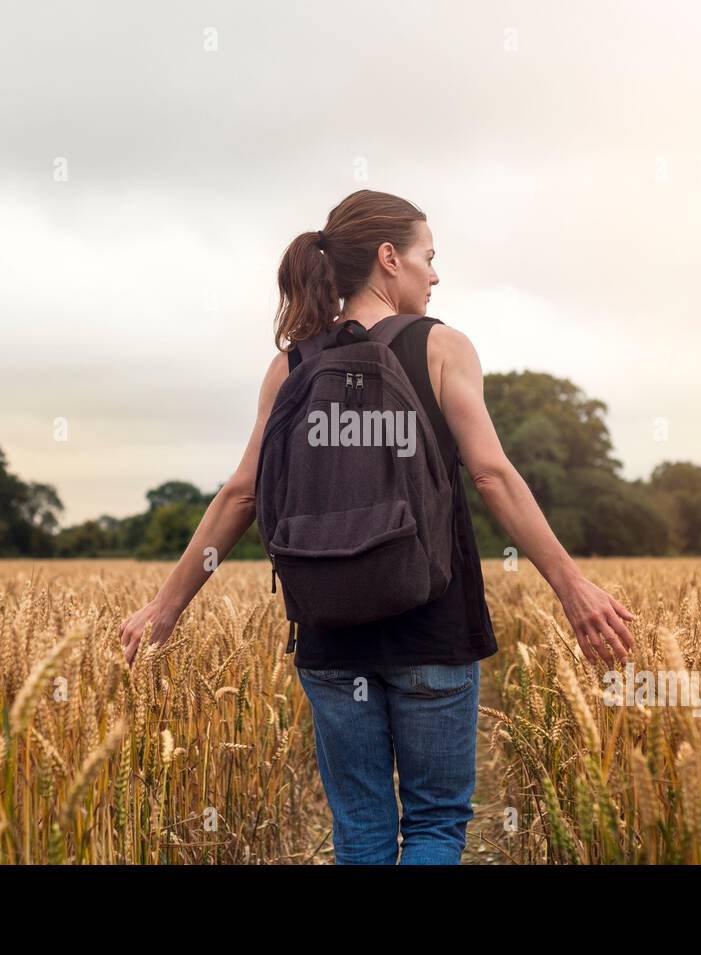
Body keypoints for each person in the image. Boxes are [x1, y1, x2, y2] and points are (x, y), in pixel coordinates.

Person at [119, 189, 636, 864]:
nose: (435, 273)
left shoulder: (291, 365)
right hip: (433, 625)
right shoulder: (443, 347)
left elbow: (242, 493)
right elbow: (492, 475)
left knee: (360, 833)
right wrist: (572, 587)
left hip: (330, 638)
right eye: (428, 256)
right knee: (434, 824)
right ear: (390, 259)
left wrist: (165, 606)